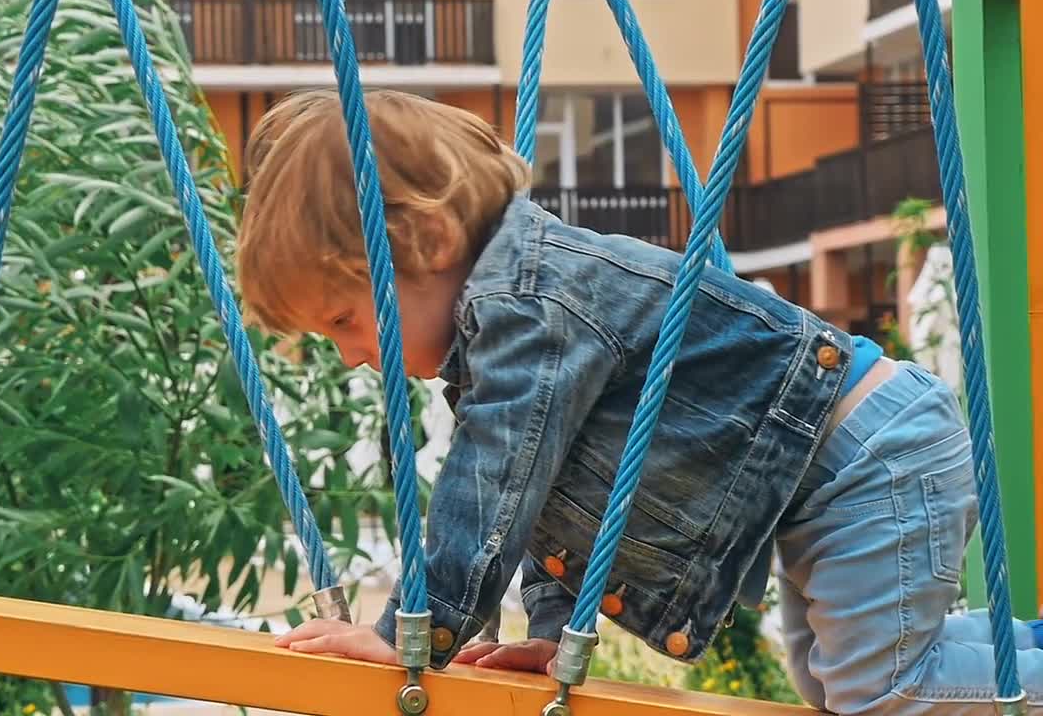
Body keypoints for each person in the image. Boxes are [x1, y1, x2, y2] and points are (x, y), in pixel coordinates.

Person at [233, 88, 1043, 714]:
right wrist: (551, 634)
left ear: (431, 242)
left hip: (864, 453)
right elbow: (552, 503)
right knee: (835, 683)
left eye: (344, 320)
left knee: (883, 694)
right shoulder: (511, 332)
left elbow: (498, 480)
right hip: (829, 471)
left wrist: (412, 630)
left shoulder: (532, 308)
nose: (350, 355)